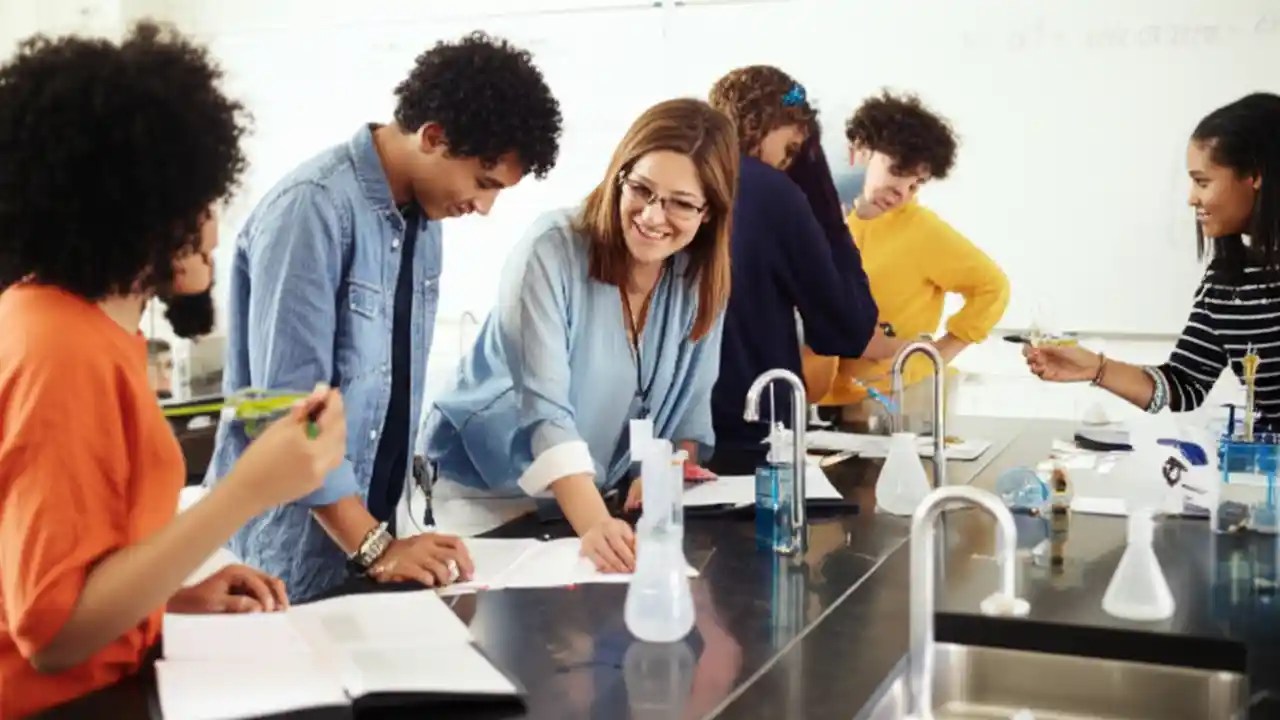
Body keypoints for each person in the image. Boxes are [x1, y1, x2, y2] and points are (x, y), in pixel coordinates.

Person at [0, 24, 347, 717]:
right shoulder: (63, 350)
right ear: (142, 208)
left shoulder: (54, 319)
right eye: (203, 202)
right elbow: (52, 633)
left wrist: (165, 604)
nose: (214, 228)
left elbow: (63, 575)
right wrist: (247, 491)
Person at [205, 31, 564, 601]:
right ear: (434, 137)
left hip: (368, 546)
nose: (484, 206)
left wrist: (387, 541)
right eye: (483, 182)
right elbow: (288, 416)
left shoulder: (426, 223)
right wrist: (375, 546)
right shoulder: (312, 209)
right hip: (289, 565)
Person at [419, 98, 738, 572]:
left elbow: (688, 417)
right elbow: (546, 414)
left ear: (709, 211)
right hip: (486, 507)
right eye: (642, 190)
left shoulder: (696, 280)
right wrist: (595, 525)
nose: (653, 216)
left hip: (585, 508)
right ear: (619, 176)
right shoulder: (552, 250)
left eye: (680, 203)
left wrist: (663, 473)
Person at [1026, 92, 1280, 424]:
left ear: (1254, 176)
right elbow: (1184, 384)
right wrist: (1094, 367)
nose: (1192, 199)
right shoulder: (1226, 281)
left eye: (1203, 182)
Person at [705, 66, 883, 474]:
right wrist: (823, 207)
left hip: (673, 435)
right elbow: (847, 327)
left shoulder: (681, 179)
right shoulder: (771, 191)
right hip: (753, 433)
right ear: (765, 124)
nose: (790, 164)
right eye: (789, 150)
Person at [803, 91, 1010, 433]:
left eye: (917, 183)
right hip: (820, 398)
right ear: (859, 151)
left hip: (895, 399)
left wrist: (942, 352)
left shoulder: (921, 230)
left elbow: (993, 287)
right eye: (898, 172)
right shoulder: (821, 220)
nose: (904, 192)